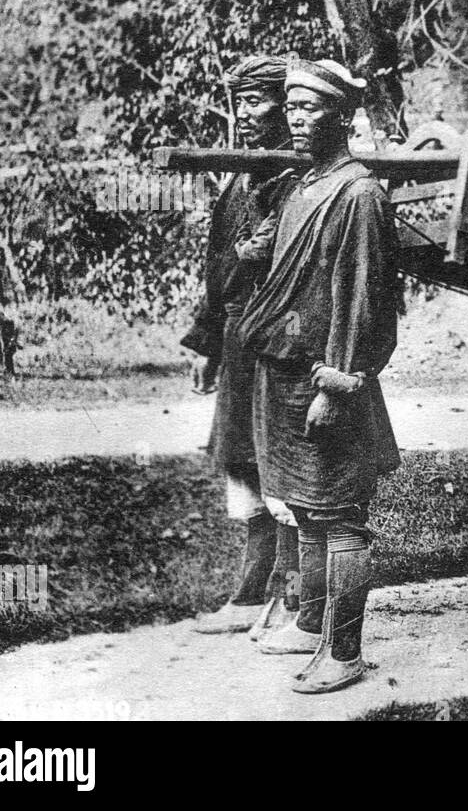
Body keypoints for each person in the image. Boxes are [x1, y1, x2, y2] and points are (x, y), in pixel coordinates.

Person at [237, 59, 401, 694]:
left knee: (341, 516)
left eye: (312, 109)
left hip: (327, 380)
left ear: (343, 118)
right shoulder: (302, 185)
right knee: (305, 508)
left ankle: (345, 650)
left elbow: (361, 301)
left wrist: (337, 385)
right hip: (284, 373)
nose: (298, 119)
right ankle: (309, 622)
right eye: (293, 107)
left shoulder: (357, 194)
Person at [185, 55, 301, 638]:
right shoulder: (241, 175)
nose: (247, 114)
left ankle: (291, 595)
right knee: (240, 459)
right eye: (242, 102)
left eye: (259, 100)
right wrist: (209, 343)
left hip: (280, 337)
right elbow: (217, 268)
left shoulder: (301, 182)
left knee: (280, 461)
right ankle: (252, 593)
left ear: (289, 105)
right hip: (237, 337)